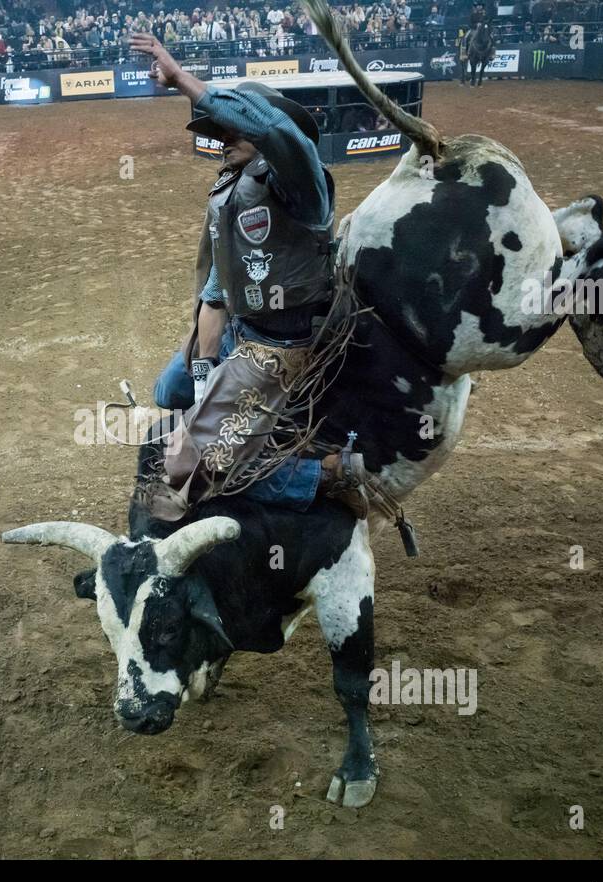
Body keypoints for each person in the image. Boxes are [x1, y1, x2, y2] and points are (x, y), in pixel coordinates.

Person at [129, 32, 364, 521]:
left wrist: (181, 80)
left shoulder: (301, 180)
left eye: (230, 130)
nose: (219, 140)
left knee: (186, 464)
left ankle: (326, 476)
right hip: (243, 326)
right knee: (166, 393)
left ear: (259, 131)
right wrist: (201, 376)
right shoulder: (232, 187)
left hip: (285, 343)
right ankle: (216, 423)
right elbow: (217, 286)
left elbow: (278, 132)